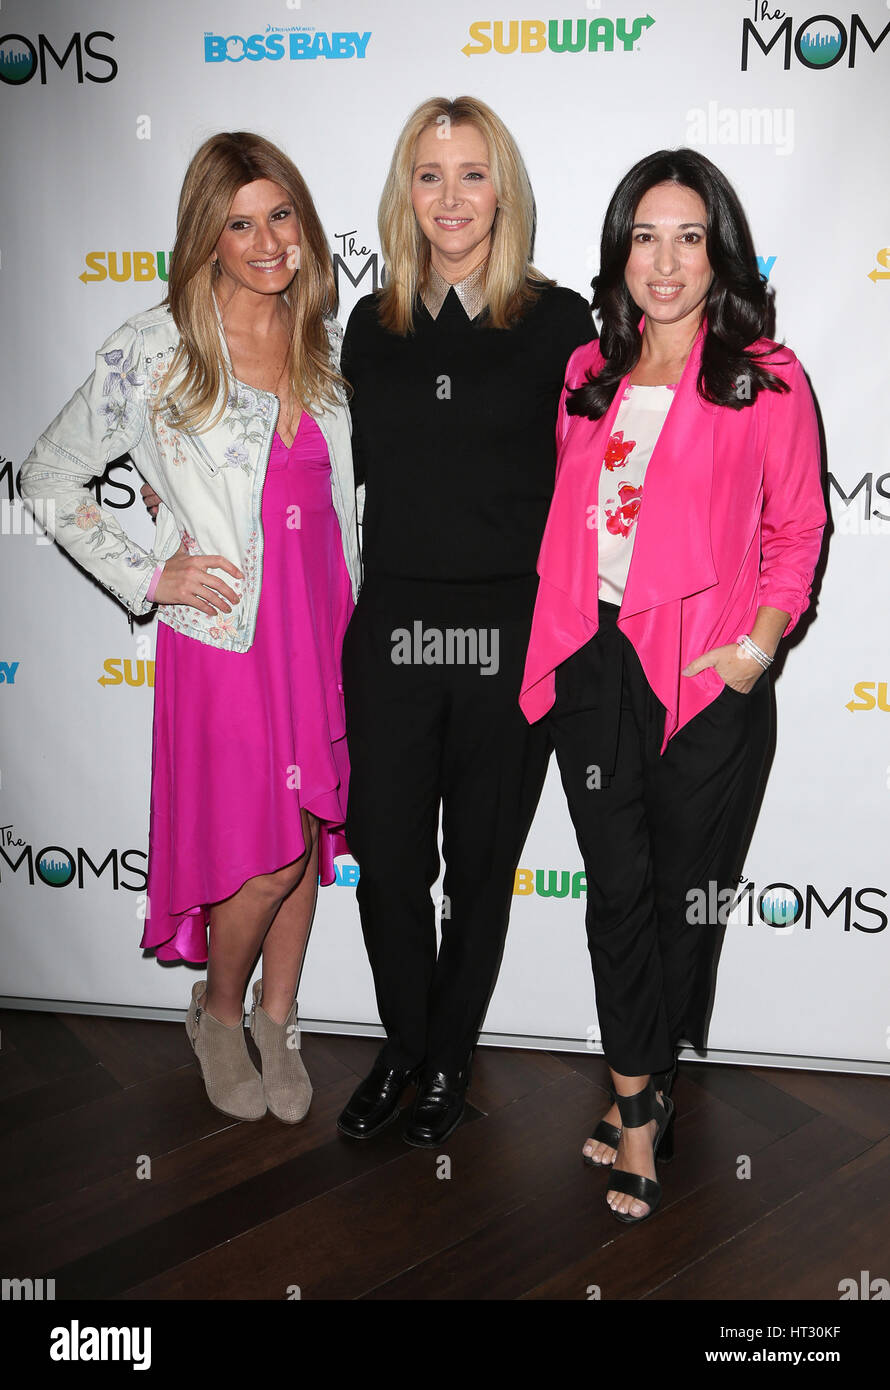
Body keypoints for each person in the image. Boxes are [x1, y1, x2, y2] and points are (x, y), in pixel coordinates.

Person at [20, 131, 361, 1126]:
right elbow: (48, 476)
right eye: (239, 222)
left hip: (322, 619)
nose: (265, 240)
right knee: (262, 853)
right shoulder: (154, 343)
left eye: (279, 215)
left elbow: (339, 496)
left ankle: (280, 1016)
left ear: (301, 221)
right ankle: (218, 1012)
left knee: (305, 836)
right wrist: (146, 572)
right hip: (227, 637)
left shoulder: (318, 338)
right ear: (206, 238)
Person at [519, 148, 826, 1222]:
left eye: (686, 236)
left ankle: (647, 1070)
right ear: (617, 254)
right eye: (642, 236)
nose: (663, 259)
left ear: (717, 252)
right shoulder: (584, 373)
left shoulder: (764, 377)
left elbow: (797, 530)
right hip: (597, 663)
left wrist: (753, 649)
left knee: (680, 899)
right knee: (615, 891)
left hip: (707, 672)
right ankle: (636, 1106)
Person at [335, 96, 594, 1147]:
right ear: (407, 191)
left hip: (508, 630)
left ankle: (445, 1059)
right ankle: (402, 1043)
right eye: (430, 174)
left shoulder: (559, 320)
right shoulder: (369, 323)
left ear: (505, 189)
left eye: (472, 172)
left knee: (481, 866)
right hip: (391, 625)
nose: (451, 196)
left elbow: (606, 480)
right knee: (389, 859)